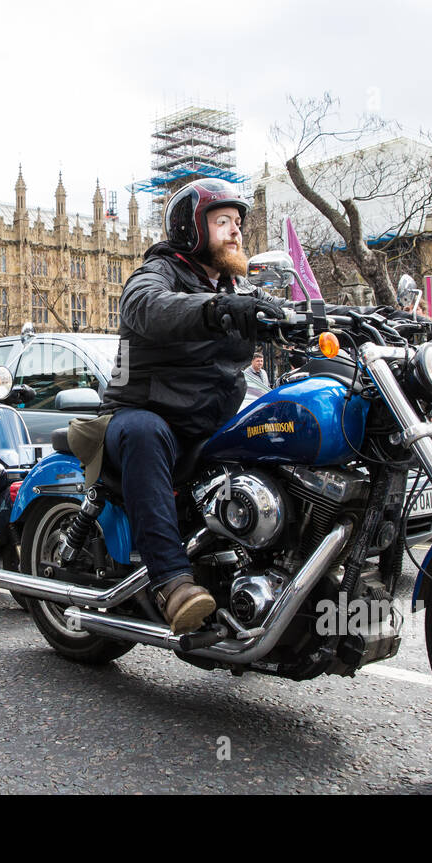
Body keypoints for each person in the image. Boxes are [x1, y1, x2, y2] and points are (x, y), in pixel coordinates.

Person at [99, 179, 284, 633]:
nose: (236, 232)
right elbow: (144, 306)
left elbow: (285, 310)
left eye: (239, 223)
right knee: (146, 432)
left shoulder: (235, 288)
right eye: (223, 222)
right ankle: (171, 582)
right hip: (146, 414)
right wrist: (213, 309)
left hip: (209, 420)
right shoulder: (159, 271)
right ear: (192, 228)